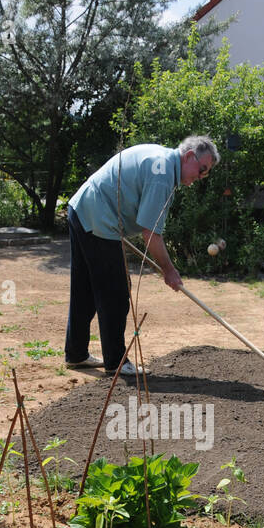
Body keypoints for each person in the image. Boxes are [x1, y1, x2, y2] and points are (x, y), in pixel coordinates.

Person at [64, 135, 219, 376]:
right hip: (98, 218)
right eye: (202, 170)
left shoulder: (163, 161)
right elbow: (151, 233)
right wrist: (169, 270)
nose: (200, 177)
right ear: (189, 156)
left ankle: (76, 354)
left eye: (205, 174)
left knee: (85, 289)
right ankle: (116, 362)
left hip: (83, 208)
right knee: (115, 293)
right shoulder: (163, 174)